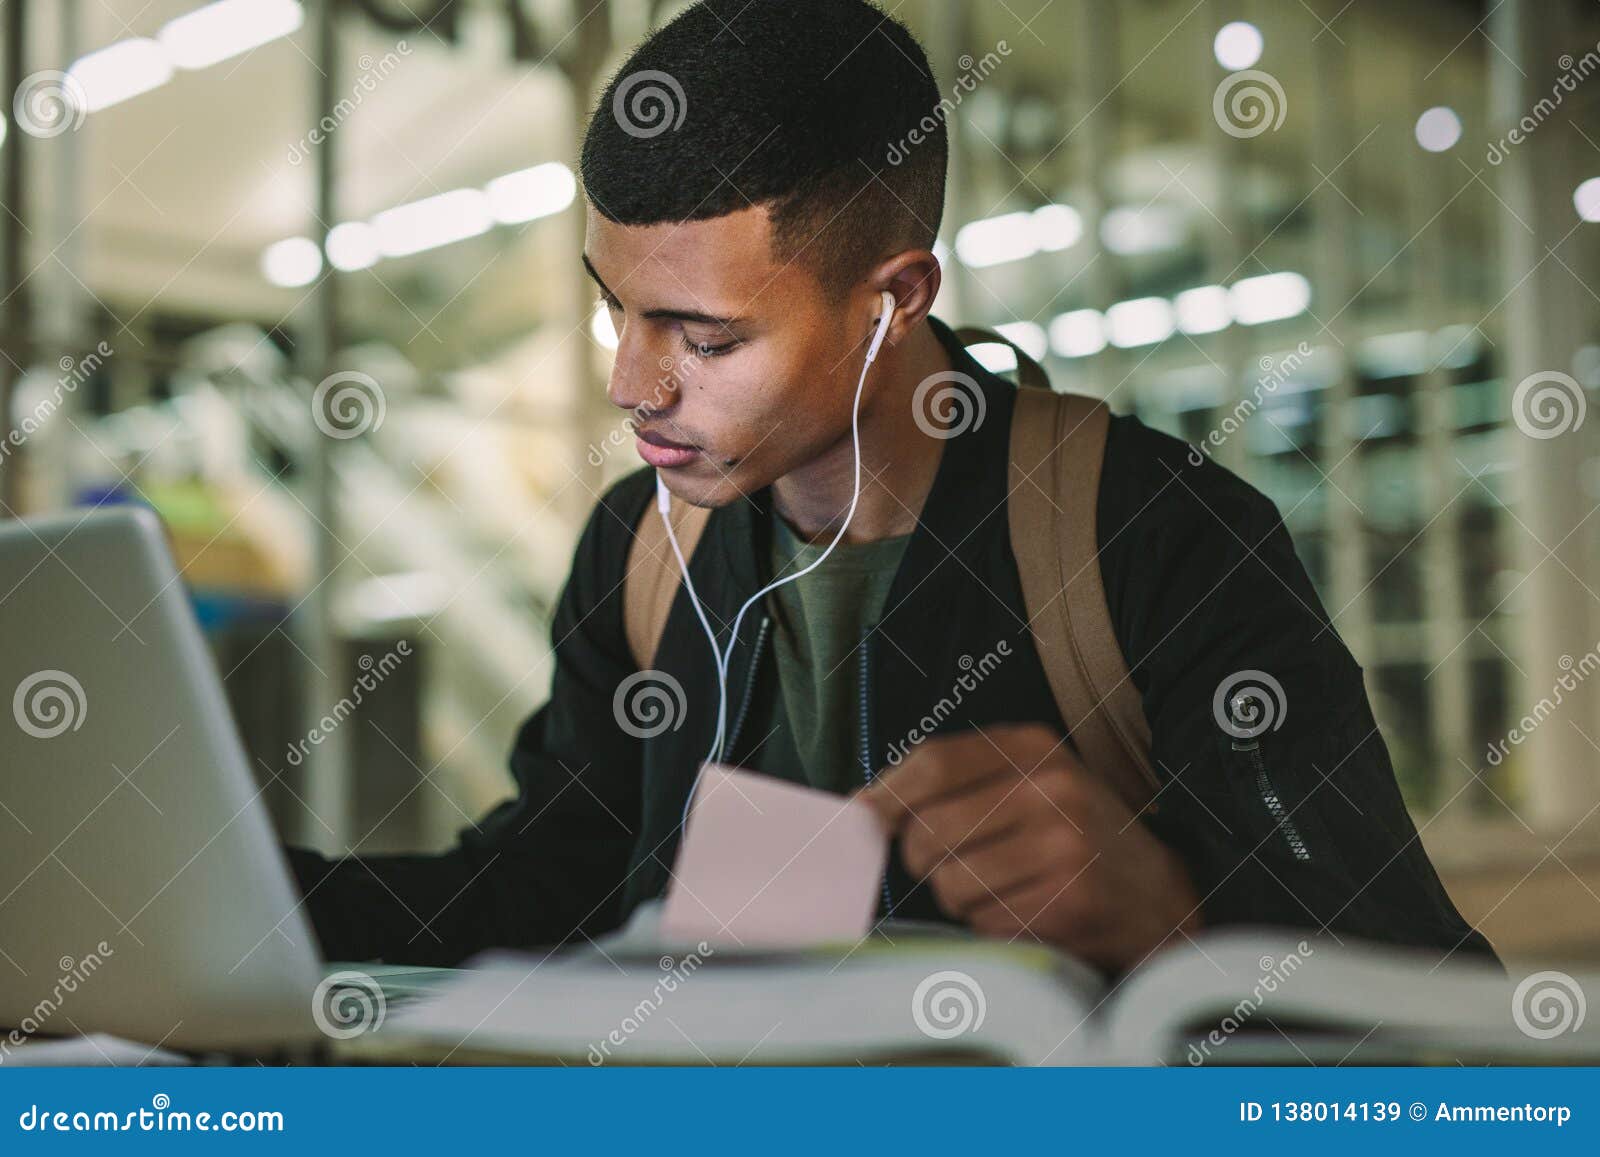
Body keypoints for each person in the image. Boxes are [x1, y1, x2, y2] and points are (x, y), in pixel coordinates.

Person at [288, 0, 1495, 974]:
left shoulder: (1157, 539)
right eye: (617, 309)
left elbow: (1438, 1028)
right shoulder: (644, 549)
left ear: (893, 297)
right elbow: (547, 889)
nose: (630, 383)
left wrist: (1171, 917)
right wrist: (235, 896)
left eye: (702, 339)